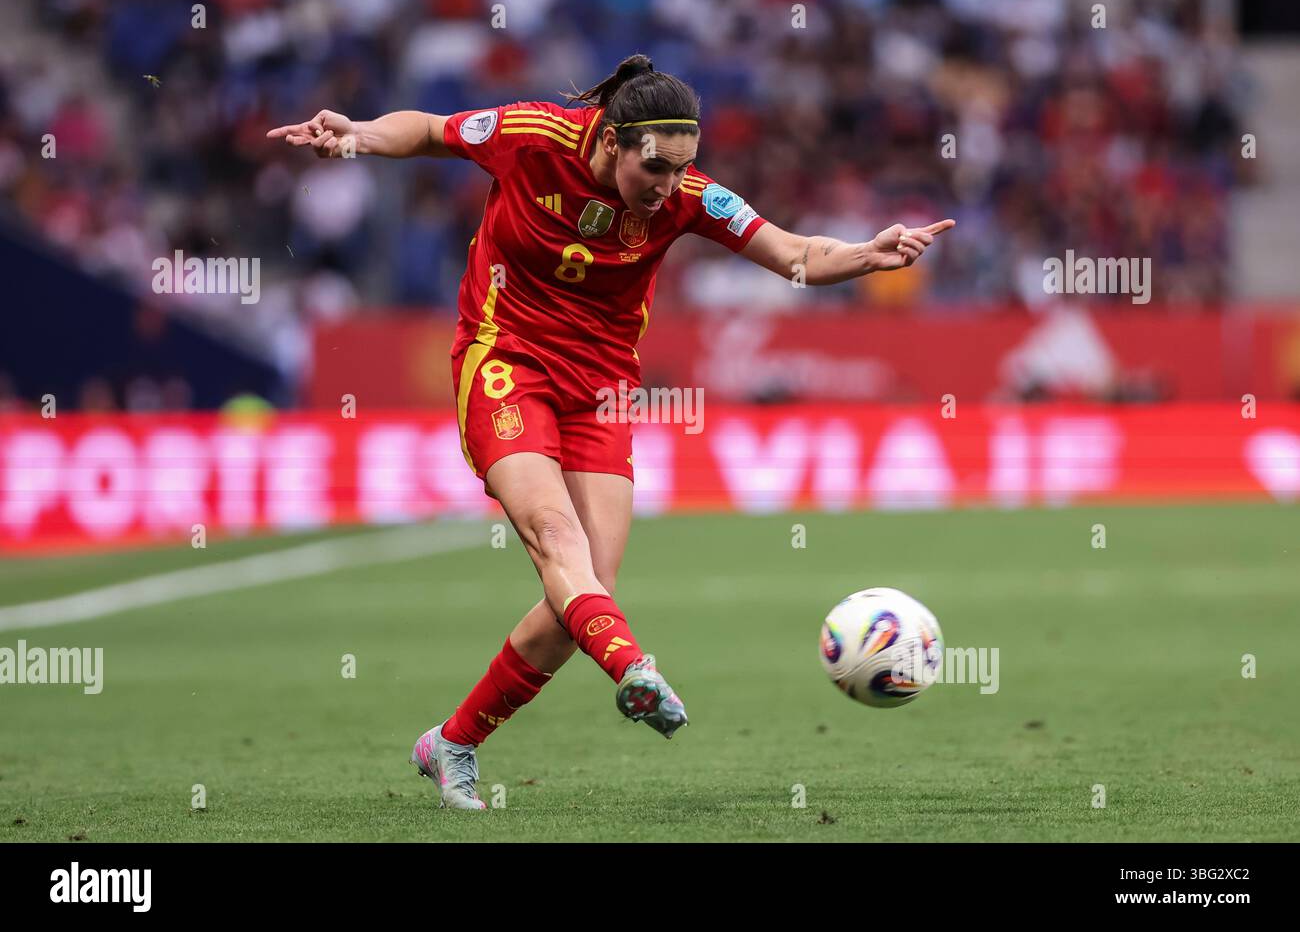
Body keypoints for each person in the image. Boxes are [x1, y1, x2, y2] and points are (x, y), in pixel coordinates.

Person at [268, 53, 953, 810]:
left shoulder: (687, 195)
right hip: (507, 360)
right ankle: (635, 671)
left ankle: (452, 742)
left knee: (585, 598)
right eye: (654, 168)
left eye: (681, 170)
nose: (667, 189)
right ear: (610, 142)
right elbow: (428, 130)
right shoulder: (531, 135)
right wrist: (359, 135)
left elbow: (792, 253)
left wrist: (867, 255)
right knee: (558, 546)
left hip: (601, 393)